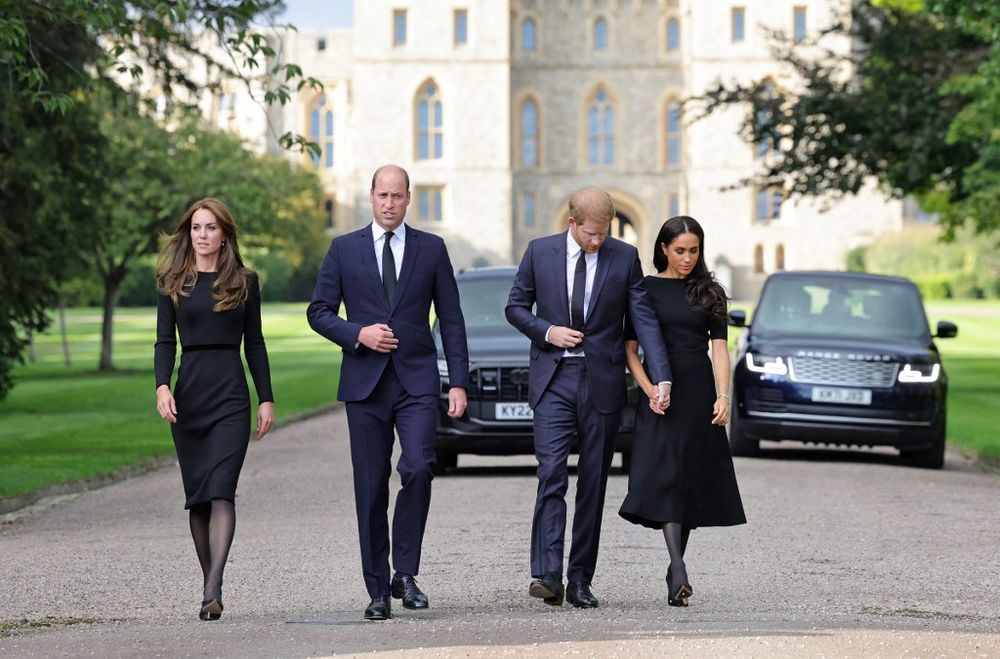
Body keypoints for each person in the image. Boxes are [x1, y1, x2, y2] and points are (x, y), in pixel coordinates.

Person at [306, 164, 469, 621]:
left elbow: (451, 319)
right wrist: (358, 334)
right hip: (365, 384)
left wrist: (458, 380)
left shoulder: (431, 249)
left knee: (418, 468)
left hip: (417, 380)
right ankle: (378, 589)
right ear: (371, 197)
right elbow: (318, 311)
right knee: (371, 486)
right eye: (383, 195)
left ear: (409, 198)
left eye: (398, 196)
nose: (390, 203)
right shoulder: (344, 249)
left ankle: (406, 573)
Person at [505, 188, 672, 609]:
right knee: (551, 475)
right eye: (591, 234)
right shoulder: (539, 252)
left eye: (604, 233)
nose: (598, 241)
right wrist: (547, 331)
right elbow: (515, 306)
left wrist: (661, 375)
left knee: (594, 482)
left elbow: (644, 318)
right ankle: (546, 574)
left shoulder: (624, 257)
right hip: (554, 377)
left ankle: (580, 579)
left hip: (602, 380)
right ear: (572, 223)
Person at [154, 197, 274, 621]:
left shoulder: (245, 281)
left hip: (230, 397)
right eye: (196, 228)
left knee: (222, 488)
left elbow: (255, 344)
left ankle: (213, 585)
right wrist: (162, 387)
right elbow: (165, 341)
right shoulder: (173, 281)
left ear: (224, 233)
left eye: (210, 227)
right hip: (190, 398)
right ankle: (211, 587)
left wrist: (266, 398)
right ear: (189, 234)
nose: (202, 235)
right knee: (199, 499)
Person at [618, 215, 746, 607]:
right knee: (667, 476)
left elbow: (720, 350)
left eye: (694, 250)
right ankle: (678, 568)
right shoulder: (645, 289)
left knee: (688, 477)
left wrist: (723, 398)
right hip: (659, 395)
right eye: (679, 250)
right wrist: (649, 390)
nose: (687, 258)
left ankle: (676, 569)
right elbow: (630, 350)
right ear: (663, 249)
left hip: (698, 393)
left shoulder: (710, 292)